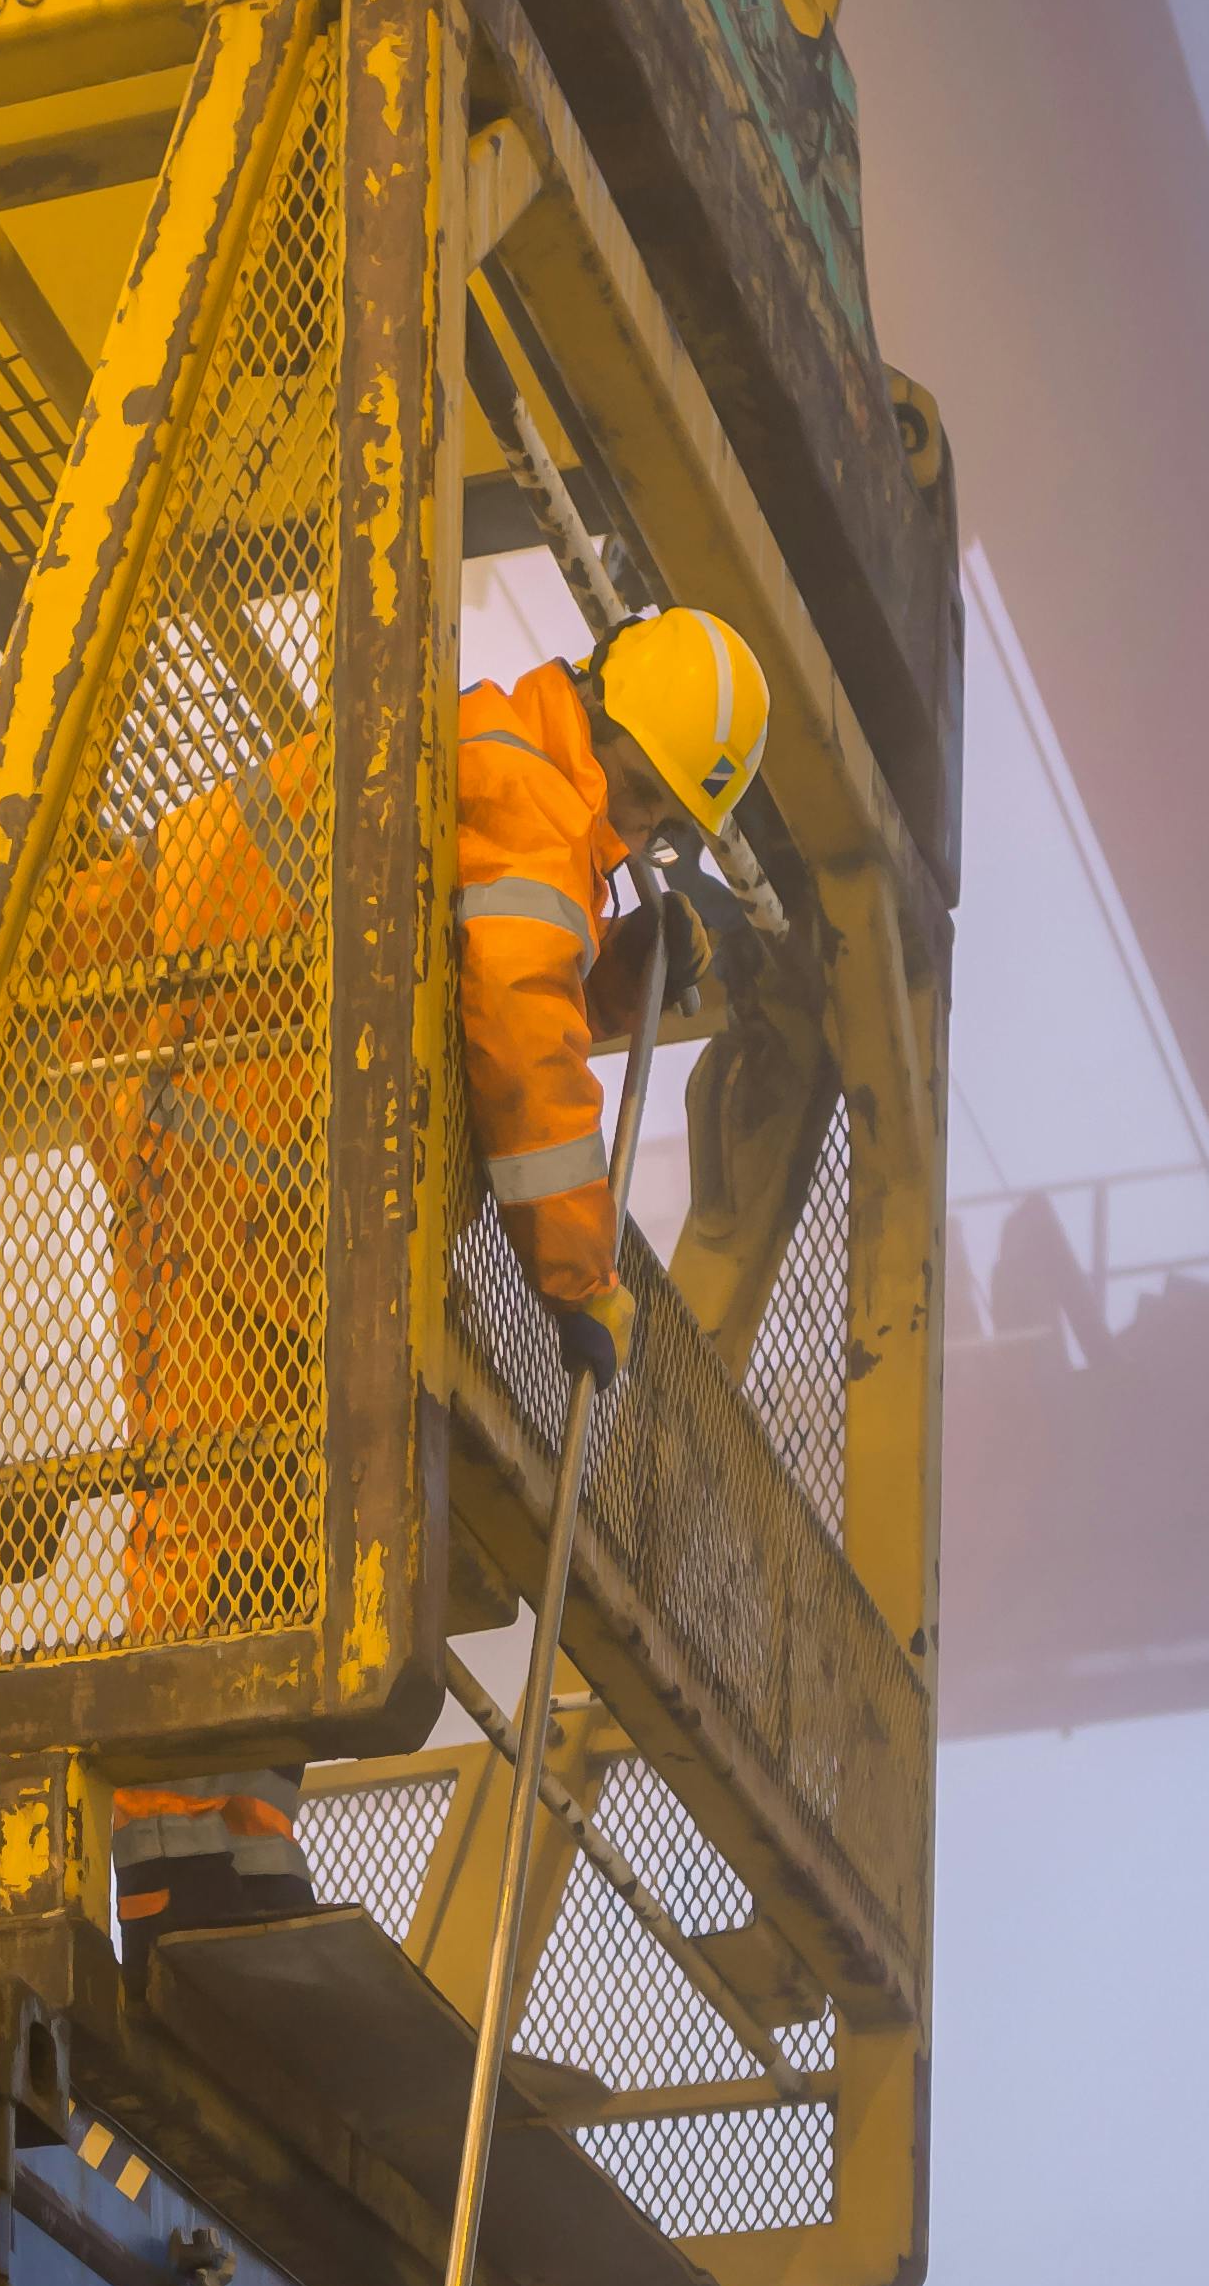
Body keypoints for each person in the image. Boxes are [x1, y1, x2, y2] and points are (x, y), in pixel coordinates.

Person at [70, 598, 775, 1951]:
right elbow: (514, 1039)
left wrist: (618, 969)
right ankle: (167, 1876)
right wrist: (577, 1278)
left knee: (291, 1536)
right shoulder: (521, 785)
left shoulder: (511, 777)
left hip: (274, 1166)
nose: (636, 830)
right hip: (221, 1145)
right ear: (598, 720)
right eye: (639, 794)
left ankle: (241, 1854)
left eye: (659, 821)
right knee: (215, 1514)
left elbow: (471, 976)